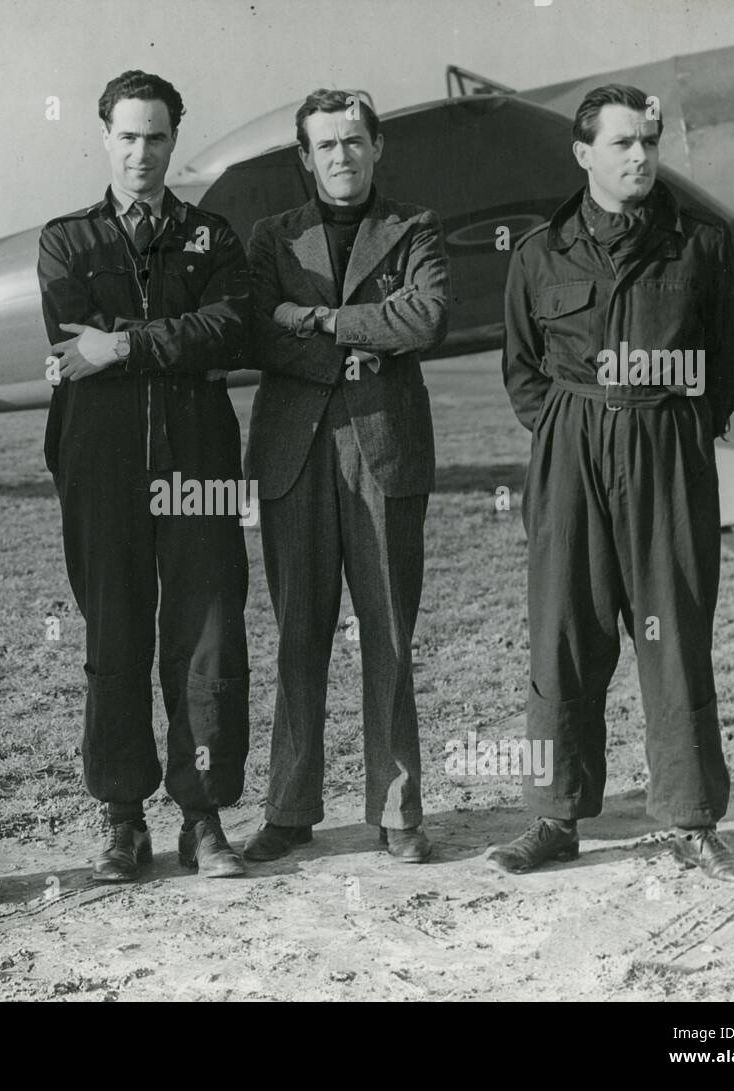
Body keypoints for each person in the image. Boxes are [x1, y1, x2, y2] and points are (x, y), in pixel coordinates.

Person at [495, 85, 734, 886]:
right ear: (584, 155)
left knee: (672, 629)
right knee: (564, 629)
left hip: (667, 444)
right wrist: (574, 429)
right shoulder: (540, 251)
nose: (640, 156)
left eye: (649, 141)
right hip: (571, 445)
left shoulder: (700, 244)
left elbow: (727, 362)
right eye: (622, 144)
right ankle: (554, 815)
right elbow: (522, 369)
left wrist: (674, 428)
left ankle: (692, 820)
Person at [37, 71, 252, 880]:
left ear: (174, 139)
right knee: (115, 634)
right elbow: (70, 340)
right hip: (102, 460)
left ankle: (202, 817)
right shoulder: (66, 240)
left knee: (207, 634)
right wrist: (174, 336)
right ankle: (122, 816)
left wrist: (121, 344)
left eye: (156, 136)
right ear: (105, 138)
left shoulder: (213, 237)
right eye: (127, 135)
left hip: (199, 459)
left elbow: (231, 330)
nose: (141, 151)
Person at [242, 89, 449, 864]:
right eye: (325, 145)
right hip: (294, 454)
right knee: (300, 632)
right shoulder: (272, 238)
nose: (341, 156)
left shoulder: (415, 227)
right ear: (304, 155)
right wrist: (366, 339)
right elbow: (259, 332)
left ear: (377, 146)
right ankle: (290, 807)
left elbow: (426, 318)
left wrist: (325, 320)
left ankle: (398, 811)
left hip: (386, 451)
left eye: (354, 141)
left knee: (389, 632)